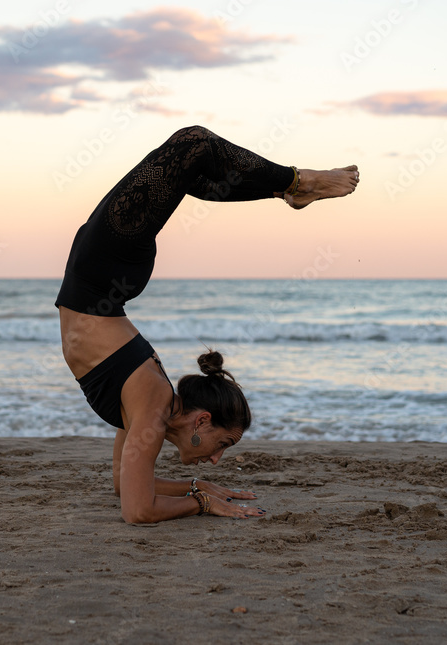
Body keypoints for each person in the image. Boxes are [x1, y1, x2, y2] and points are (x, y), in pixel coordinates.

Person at [56, 125, 359, 523]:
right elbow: (138, 510)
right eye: (223, 444)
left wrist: (195, 486)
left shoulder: (150, 406)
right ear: (202, 421)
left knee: (191, 171)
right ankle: (296, 182)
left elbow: (123, 485)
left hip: (104, 273)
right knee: (193, 144)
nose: (215, 459)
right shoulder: (152, 401)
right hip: (105, 266)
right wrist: (202, 502)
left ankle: (287, 190)